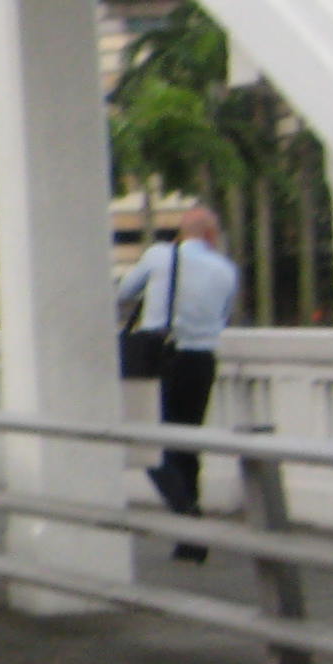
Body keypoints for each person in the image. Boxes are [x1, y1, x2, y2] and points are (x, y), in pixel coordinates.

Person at [119, 204, 241, 556]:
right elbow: (223, 314)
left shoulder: (159, 256)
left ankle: (185, 512)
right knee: (187, 443)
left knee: (150, 442)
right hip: (203, 360)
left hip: (161, 356)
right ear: (211, 235)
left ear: (181, 232)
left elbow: (125, 293)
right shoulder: (225, 269)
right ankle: (189, 540)